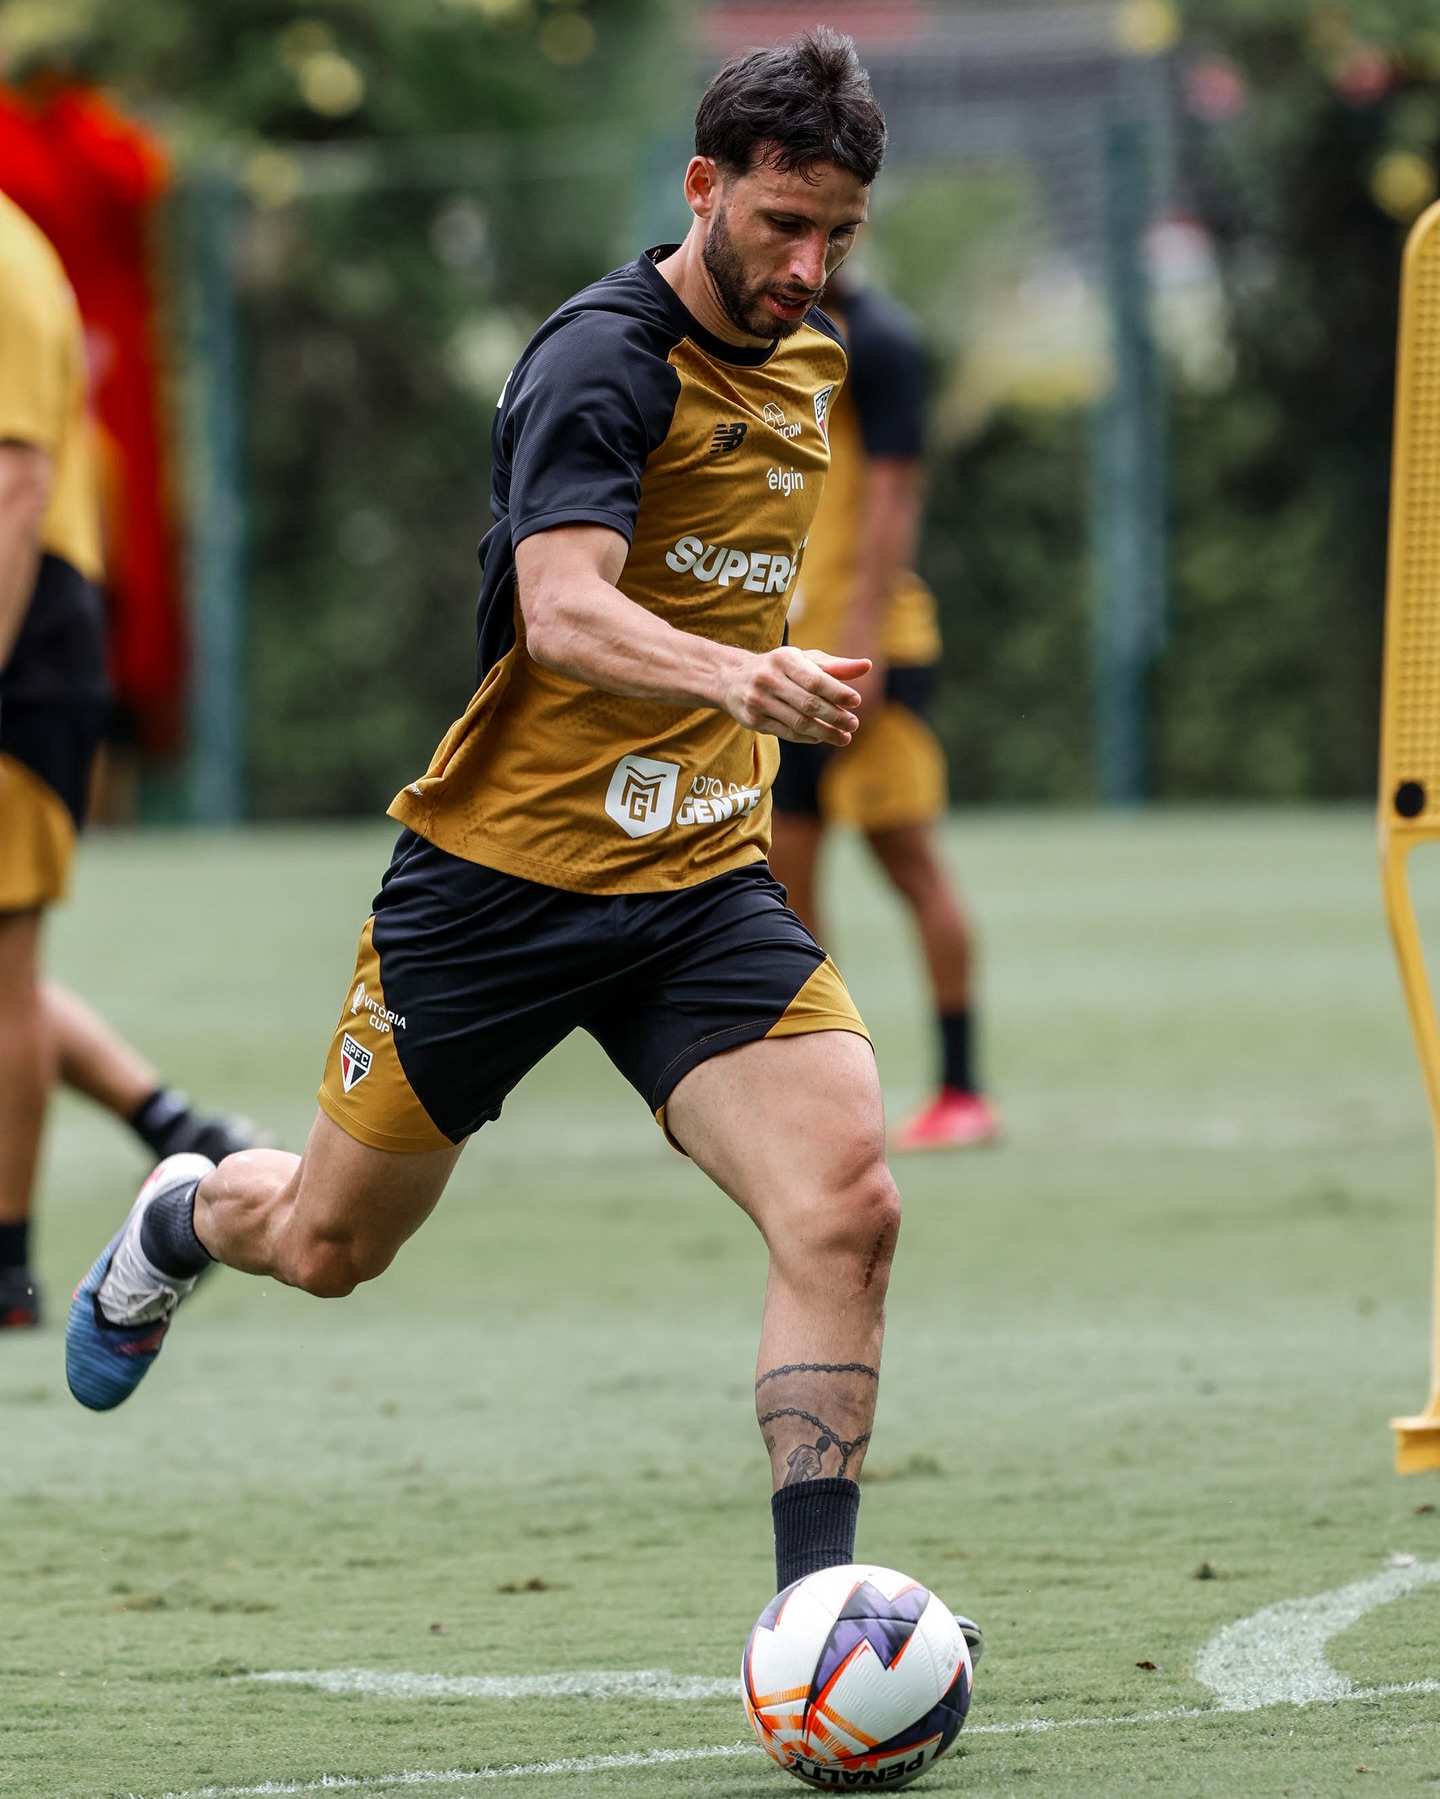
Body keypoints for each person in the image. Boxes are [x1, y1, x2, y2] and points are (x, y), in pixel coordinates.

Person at [64, 32, 962, 1613]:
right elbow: (561, 612)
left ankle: (812, 1614)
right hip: (499, 885)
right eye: (780, 227)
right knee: (333, 1244)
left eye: (840, 235)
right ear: (703, 189)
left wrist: (748, 697)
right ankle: (188, 1207)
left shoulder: (817, 354)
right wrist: (742, 682)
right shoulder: (599, 359)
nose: (810, 266)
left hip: (693, 880)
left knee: (849, 1199)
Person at [0, 192, 252, 1330]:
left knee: (3, 966)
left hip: (21, 640)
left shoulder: (4, 255)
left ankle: (4, 1266)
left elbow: (13, 487)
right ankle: (171, 1125)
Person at [769, 274, 1000, 1151]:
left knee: (909, 860)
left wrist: (862, 636)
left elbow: (897, 498)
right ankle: (815, 1092)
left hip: (869, 652)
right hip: (788, 654)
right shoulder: (782, 338)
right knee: (783, 877)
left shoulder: (883, 342)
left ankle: (962, 1088)